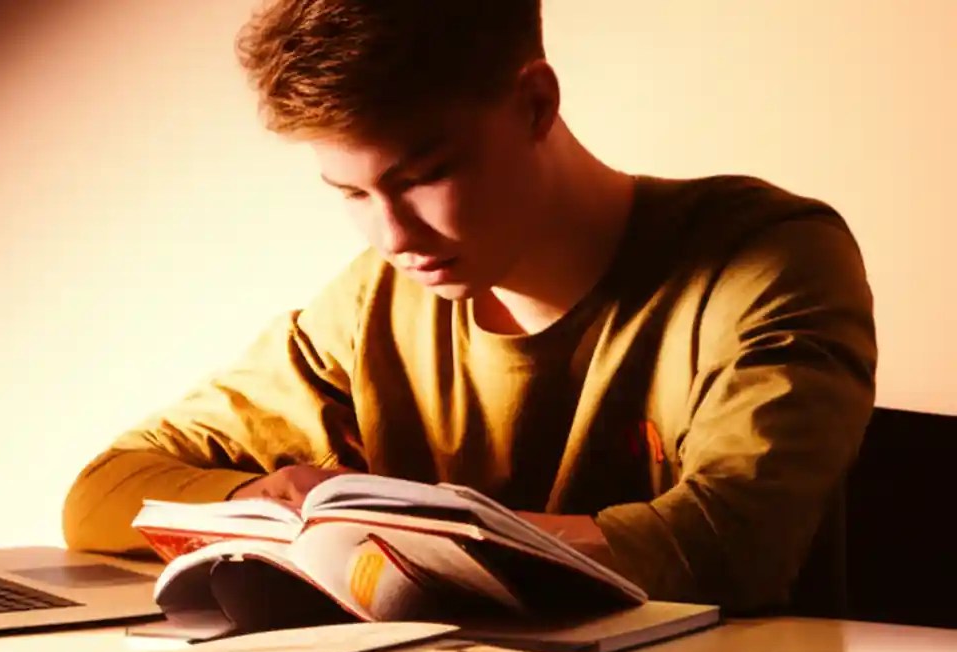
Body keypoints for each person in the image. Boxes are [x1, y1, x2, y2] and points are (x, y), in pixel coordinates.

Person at [62, 0, 876, 614]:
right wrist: (263, 502)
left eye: (423, 177)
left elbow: (734, 545)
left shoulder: (769, 256)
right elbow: (102, 490)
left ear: (535, 103)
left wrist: (410, 536)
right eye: (350, 192)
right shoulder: (375, 300)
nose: (393, 233)